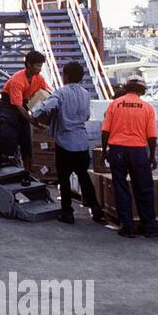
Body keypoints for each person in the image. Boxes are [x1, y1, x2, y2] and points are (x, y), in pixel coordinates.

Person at [36, 61, 104, 225]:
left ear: (65, 76)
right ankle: (95, 207)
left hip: (65, 141)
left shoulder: (61, 93)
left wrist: (35, 112)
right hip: (81, 140)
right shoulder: (85, 93)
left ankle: (67, 212)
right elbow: (87, 116)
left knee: (64, 179)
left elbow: (43, 108)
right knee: (84, 177)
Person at [102, 74, 158, 238]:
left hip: (117, 150)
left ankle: (127, 226)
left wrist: (104, 151)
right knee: (144, 188)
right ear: (143, 90)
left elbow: (105, 130)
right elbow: (152, 136)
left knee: (121, 187)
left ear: (126, 88)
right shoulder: (147, 108)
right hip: (138, 151)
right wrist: (152, 156)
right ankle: (149, 227)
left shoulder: (115, 104)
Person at [0, 50, 49, 178]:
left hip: (22, 105)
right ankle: (0, 162)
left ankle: (27, 171)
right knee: (8, 137)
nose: (40, 69)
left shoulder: (38, 78)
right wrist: (33, 121)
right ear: (29, 65)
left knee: (26, 140)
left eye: (41, 66)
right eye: (38, 66)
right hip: (8, 107)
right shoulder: (17, 80)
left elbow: (47, 92)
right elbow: (18, 106)